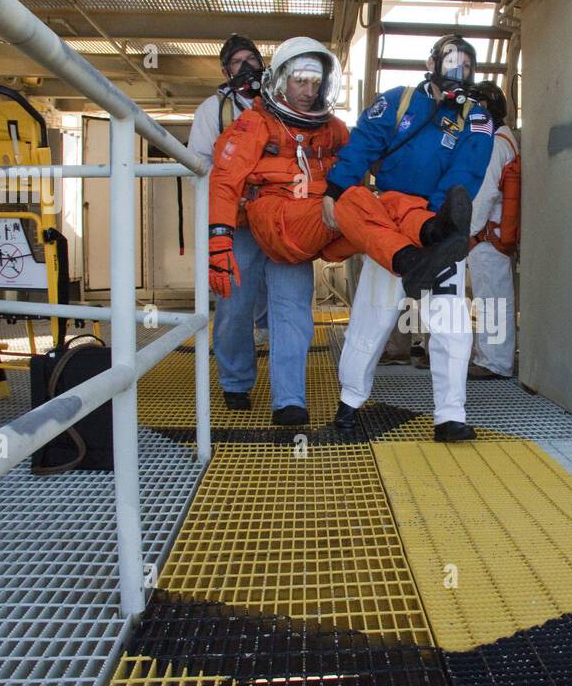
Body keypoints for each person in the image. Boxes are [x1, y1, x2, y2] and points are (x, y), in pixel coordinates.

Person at [209, 37, 473, 421]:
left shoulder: (331, 128)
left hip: (319, 222)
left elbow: (354, 161)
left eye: (316, 82)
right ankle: (409, 259)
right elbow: (224, 181)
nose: (308, 90)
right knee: (237, 309)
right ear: (280, 80)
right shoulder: (255, 123)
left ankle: (431, 232)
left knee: (383, 204)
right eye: (300, 80)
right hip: (276, 221)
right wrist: (218, 241)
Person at [325, 35, 494, 442]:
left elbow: (465, 174)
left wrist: (436, 224)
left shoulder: (477, 119)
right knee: (374, 312)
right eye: (451, 62)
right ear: (432, 63)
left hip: (439, 230)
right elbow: (363, 143)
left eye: (467, 66)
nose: (459, 72)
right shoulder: (398, 101)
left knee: (451, 322)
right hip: (389, 224)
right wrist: (336, 190)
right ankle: (349, 402)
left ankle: (450, 415)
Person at [188, 33, 274, 411]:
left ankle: (288, 385)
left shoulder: (280, 101)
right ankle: (235, 381)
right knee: (234, 301)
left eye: (252, 59)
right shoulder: (213, 109)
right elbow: (199, 163)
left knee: (285, 302)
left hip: (280, 217)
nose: (247, 67)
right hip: (238, 221)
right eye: (238, 62)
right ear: (225, 71)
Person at [465, 81, 520, 380]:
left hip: (487, 237)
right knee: (493, 297)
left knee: (492, 299)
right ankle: (491, 358)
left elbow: (484, 193)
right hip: (492, 234)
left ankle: (494, 362)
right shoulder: (504, 139)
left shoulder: (494, 143)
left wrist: (468, 235)